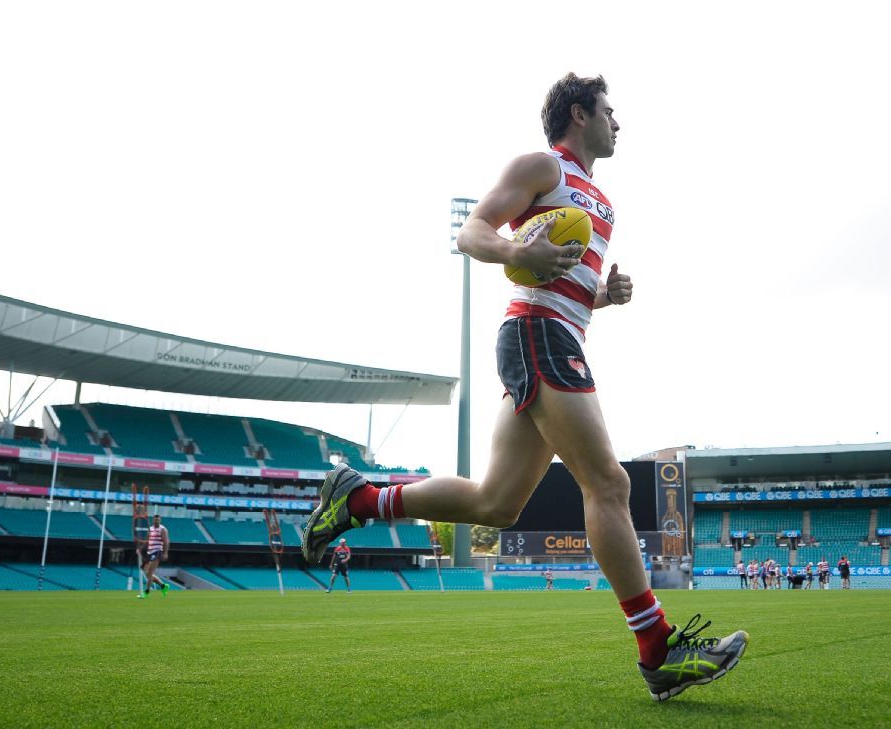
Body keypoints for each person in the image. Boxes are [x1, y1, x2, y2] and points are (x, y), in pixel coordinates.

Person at [300, 74, 747, 702]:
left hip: (555, 332)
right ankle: (659, 651)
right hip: (537, 333)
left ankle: (361, 500)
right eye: (610, 111)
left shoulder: (602, 200)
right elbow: (473, 231)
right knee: (610, 485)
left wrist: (601, 296)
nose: (619, 123)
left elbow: (565, 279)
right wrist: (516, 248)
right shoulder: (543, 167)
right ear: (578, 113)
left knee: (495, 505)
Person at [139, 514, 170, 599]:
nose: (156, 521)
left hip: (157, 552)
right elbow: (147, 540)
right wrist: (141, 548)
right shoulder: (151, 529)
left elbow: (166, 541)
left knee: (149, 573)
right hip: (150, 553)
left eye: (158, 519)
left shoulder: (163, 529)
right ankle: (163, 586)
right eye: (155, 519)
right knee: (146, 572)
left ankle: (146, 592)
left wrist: (165, 553)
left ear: (160, 520)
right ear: (153, 520)